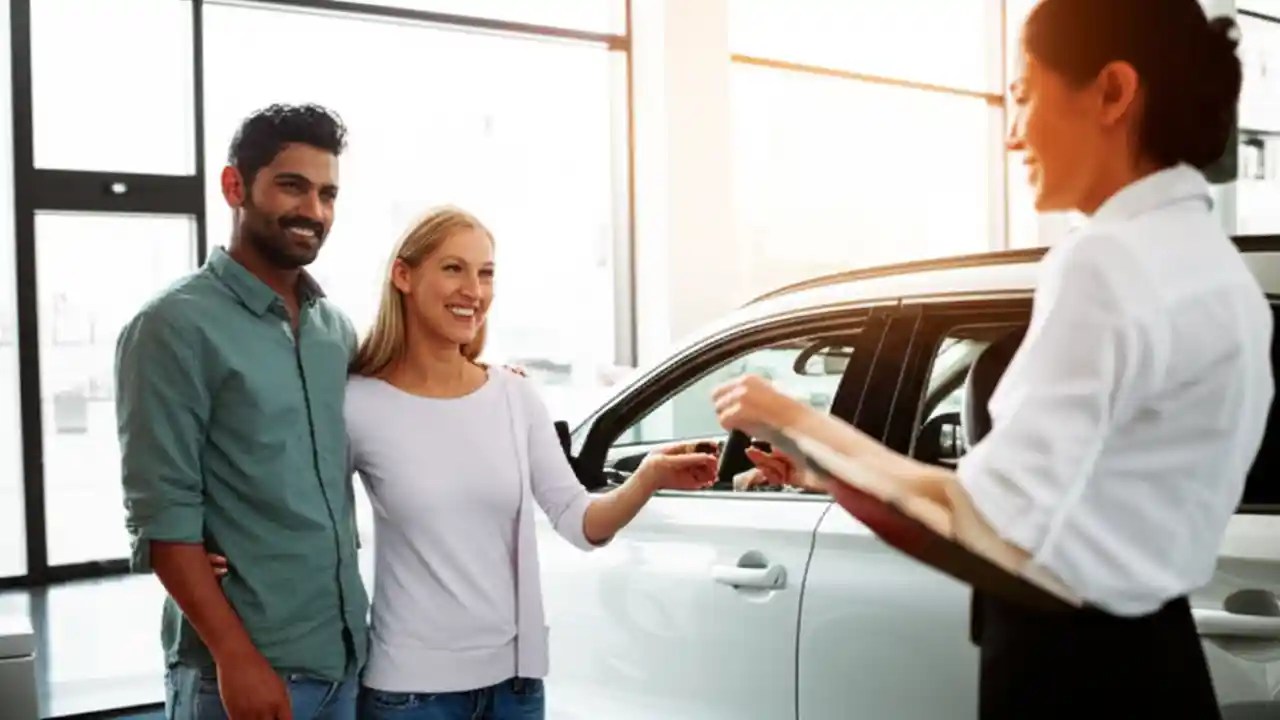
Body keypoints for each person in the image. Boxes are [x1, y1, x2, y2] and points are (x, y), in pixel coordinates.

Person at [712, 1, 1273, 718]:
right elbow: (1097, 510)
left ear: (1112, 92)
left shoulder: (1105, 262)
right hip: (1162, 669)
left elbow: (984, 528)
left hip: (1072, 679)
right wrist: (832, 474)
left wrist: (796, 421)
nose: (1012, 136)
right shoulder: (1225, 279)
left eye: (1023, 95)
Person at [339, 205, 718, 720]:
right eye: (454, 268)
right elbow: (302, 510)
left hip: (514, 688)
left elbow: (579, 522)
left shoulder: (514, 397)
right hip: (409, 693)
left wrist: (648, 477)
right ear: (403, 275)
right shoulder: (358, 402)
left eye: (486, 272)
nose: (474, 289)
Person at [115, 103, 368, 720]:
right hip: (240, 673)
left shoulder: (335, 329)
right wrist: (236, 658)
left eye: (327, 193)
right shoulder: (172, 326)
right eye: (292, 186)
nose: (314, 210)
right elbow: (161, 517)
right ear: (235, 187)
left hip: (345, 659)